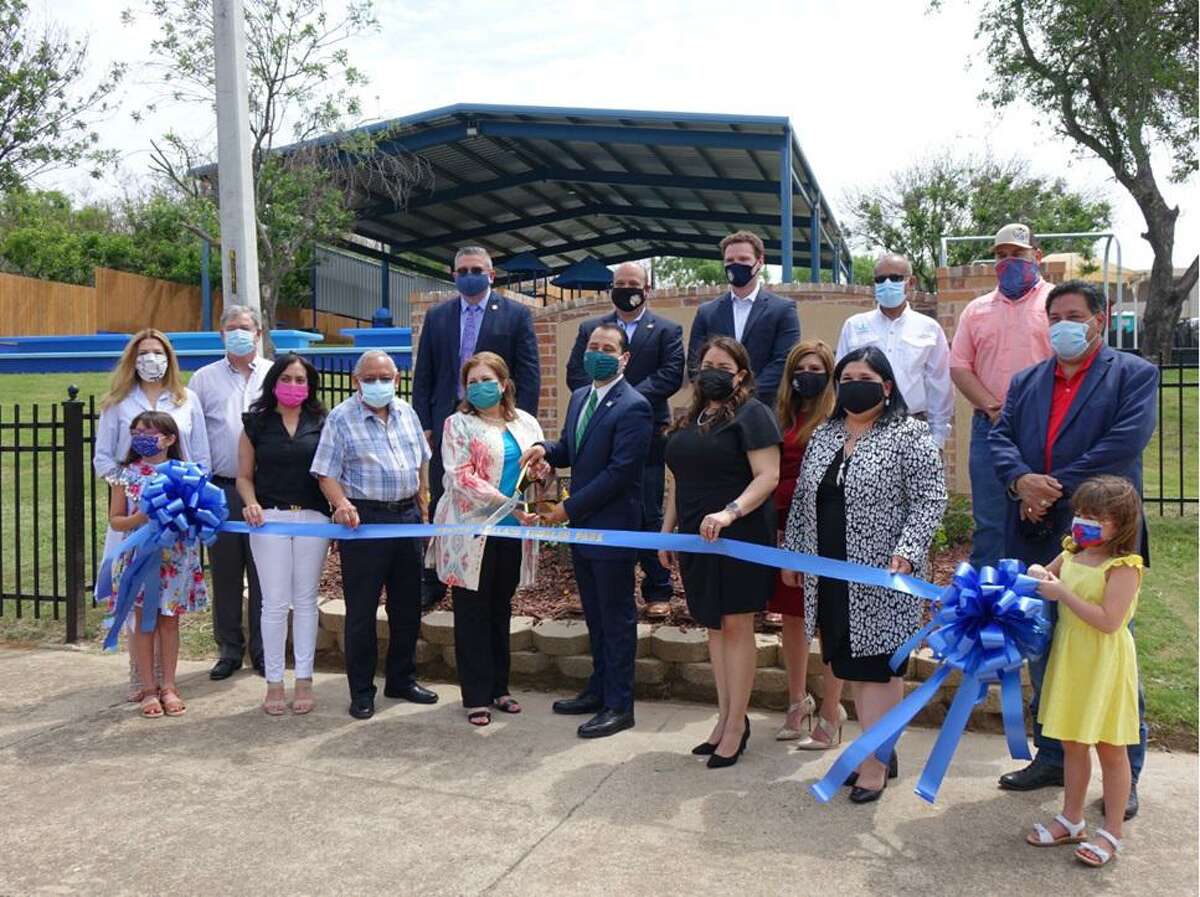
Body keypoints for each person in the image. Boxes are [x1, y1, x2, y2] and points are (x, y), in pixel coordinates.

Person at [988, 280, 1157, 816]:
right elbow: (1000, 438)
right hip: (1036, 531)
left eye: (1074, 314)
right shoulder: (1026, 381)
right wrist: (1021, 482)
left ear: (1099, 319)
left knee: (1109, 654)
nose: (1063, 323)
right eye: (1055, 314)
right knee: (1046, 651)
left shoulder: (1134, 375)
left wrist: (1048, 485)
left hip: (1103, 539)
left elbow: (1122, 444)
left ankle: (1122, 774)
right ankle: (1055, 755)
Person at [782, 346, 946, 803]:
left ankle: (873, 764)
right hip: (829, 573)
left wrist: (908, 552)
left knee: (877, 669)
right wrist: (795, 556)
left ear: (886, 386)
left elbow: (930, 500)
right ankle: (881, 746)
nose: (854, 383)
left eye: (865, 376)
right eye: (847, 376)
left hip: (883, 576)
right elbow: (803, 502)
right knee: (851, 663)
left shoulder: (909, 434)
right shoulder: (826, 435)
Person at [519, 323, 653, 739]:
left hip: (612, 529)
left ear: (624, 358)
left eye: (607, 348)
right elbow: (572, 449)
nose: (598, 353)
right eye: (593, 347)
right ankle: (598, 689)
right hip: (583, 530)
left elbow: (619, 473)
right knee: (595, 614)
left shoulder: (635, 406)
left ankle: (619, 704)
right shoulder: (580, 397)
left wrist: (567, 509)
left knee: (615, 617)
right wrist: (545, 450)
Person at [661, 337, 780, 768]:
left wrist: (730, 513)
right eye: (707, 363)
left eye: (723, 365)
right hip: (694, 537)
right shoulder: (690, 418)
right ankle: (726, 716)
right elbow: (678, 480)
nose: (712, 370)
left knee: (735, 625)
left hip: (739, 533)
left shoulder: (755, 414)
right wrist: (666, 532)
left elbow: (768, 476)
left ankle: (736, 725)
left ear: (741, 374)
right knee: (712, 624)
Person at [1023, 475, 1145, 868]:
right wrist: (1039, 573)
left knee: (1111, 748)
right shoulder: (1073, 551)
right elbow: (1049, 571)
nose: (1082, 522)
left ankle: (1111, 832)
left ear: (1120, 523)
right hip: (1072, 658)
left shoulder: (1124, 566)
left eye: (1094, 517)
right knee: (1073, 743)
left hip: (1103, 663)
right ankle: (1071, 819)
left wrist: (1062, 593)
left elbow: (1110, 621)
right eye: (1079, 513)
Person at [311, 350, 437, 720]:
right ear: (356, 381)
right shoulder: (341, 418)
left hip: (407, 517)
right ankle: (362, 691)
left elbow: (422, 461)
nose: (379, 384)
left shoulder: (407, 412)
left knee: (408, 605)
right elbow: (325, 472)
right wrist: (340, 504)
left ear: (397, 380)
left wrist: (424, 501)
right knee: (362, 610)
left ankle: (401, 678)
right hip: (364, 521)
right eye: (371, 378)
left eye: (387, 378)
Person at [412, 246, 540, 609]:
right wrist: (425, 423)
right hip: (447, 420)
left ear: (491, 274)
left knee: (493, 490)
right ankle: (438, 578)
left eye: (476, 269)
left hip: (497, 424)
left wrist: (518, 425)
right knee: (446, 494)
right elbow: (425, 374)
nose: (469, 275)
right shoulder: (438, 316)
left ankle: (495, 566)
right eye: (462, 270)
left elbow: (528, 373)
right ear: (453, 275)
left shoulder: (515, 315)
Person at [428, 352, 544, 726]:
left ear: (505, 383)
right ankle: (476, 696)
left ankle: (500, 688)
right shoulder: (457, 424)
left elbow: (537, 470)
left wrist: (541, 475)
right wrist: (508, 504)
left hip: (512, 530)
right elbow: (461, 477)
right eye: (472, 381)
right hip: (470, 531)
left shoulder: (525, 423)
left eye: (486, 379)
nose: (479, 387)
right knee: (472, 613)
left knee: (500, 608)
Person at [93, 329, 210, 700]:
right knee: (136, 602)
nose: (150, 359)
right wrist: (135, 493)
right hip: (134, 525)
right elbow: (103, 457)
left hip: (175, 526)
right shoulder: (117, 402)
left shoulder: (186, 398)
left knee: (168, 609)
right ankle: (141, 678)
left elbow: (201, 456)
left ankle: (168, 678)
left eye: (157, 352)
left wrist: (182, 496)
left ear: (169, 358)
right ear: (132, 359)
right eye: (143, 353)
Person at [566, 262, 684, 618]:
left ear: (647, 289)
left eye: (633, 283)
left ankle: (657, 588)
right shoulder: (592, 329)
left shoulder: (666, 329)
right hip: (596, 434)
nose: (626, 288)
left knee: (647, 509)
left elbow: (671, 376)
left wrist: (623, 396)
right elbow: (576, 374)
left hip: (646, 434)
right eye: (620, 283)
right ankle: (598, 586)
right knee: (599, 506)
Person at [948, 223, 1053, 569]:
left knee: (1042, 517)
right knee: (990, 524)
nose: (1009, 261)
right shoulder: (976, 310)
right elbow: (960, 366)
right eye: (1001, 256)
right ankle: (986, 611)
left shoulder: (1056, 305)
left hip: (1044, 428)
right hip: (990, 427)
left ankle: (1037, 608)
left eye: (1017, 254)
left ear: (1036, 257)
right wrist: (994, 408)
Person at [236, 354, 331, 716]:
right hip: (270, 520)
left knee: (306, 601)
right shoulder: (255, 424)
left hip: (313, 519)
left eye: (301, 380)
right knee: (274, 603)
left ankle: (304, 678)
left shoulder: (322, 422)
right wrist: (250, 503)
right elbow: (244, 475)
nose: (294, 386)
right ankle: (274, 682)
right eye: (287, 379)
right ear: (274, 382)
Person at [768, 340, 847, 747]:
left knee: (829, 619)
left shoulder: (838, 417)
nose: (807, 376)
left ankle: (832, 711)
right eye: (801, 368)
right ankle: (798, 701)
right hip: (781, 527)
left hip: (825, 530)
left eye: (816, 368)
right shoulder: (780, 415)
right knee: (793, 619)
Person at [107, 411, 208, 719]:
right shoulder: (125, 475)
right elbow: (115, 519)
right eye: (137, 431)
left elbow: (200, 514)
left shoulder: (186, 472)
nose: (142, 438)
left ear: (170, 439)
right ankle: (148, 689)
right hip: (139, 555)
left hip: (175, 558)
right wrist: (141, 519)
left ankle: (169, 685)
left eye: (150, 432)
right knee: (143, 620)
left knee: (169, 621)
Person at [189, 305, 271, 680]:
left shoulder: (274, 375)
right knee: (224, 573)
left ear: (258, 332)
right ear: (222, 335)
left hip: (264, 491)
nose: (239, 333)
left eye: (246, 327)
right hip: (219, 488)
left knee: (263, 575)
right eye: (232, 328)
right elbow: (193, 433)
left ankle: (263, 650)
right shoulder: (203, 379)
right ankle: (228, 649)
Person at [836, 253, 953, 448]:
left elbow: (940, 386)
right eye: (880, 279)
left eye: (896, 278)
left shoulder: (929, 328)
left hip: (915, 428)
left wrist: (937, 439)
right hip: (864, 427)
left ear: (911, 282)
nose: (887, 283)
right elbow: (839, 381)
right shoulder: (854, 325)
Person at [687, 230, 801, 406]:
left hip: (762, 409)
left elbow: (783, 362)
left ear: (759, 262)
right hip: (714, 409)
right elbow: (695, 362)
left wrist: (743, 396)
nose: (736, 265)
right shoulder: (706, 312)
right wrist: (715, 394)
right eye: (730, 261)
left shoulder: (783, 310)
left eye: (743, 259)